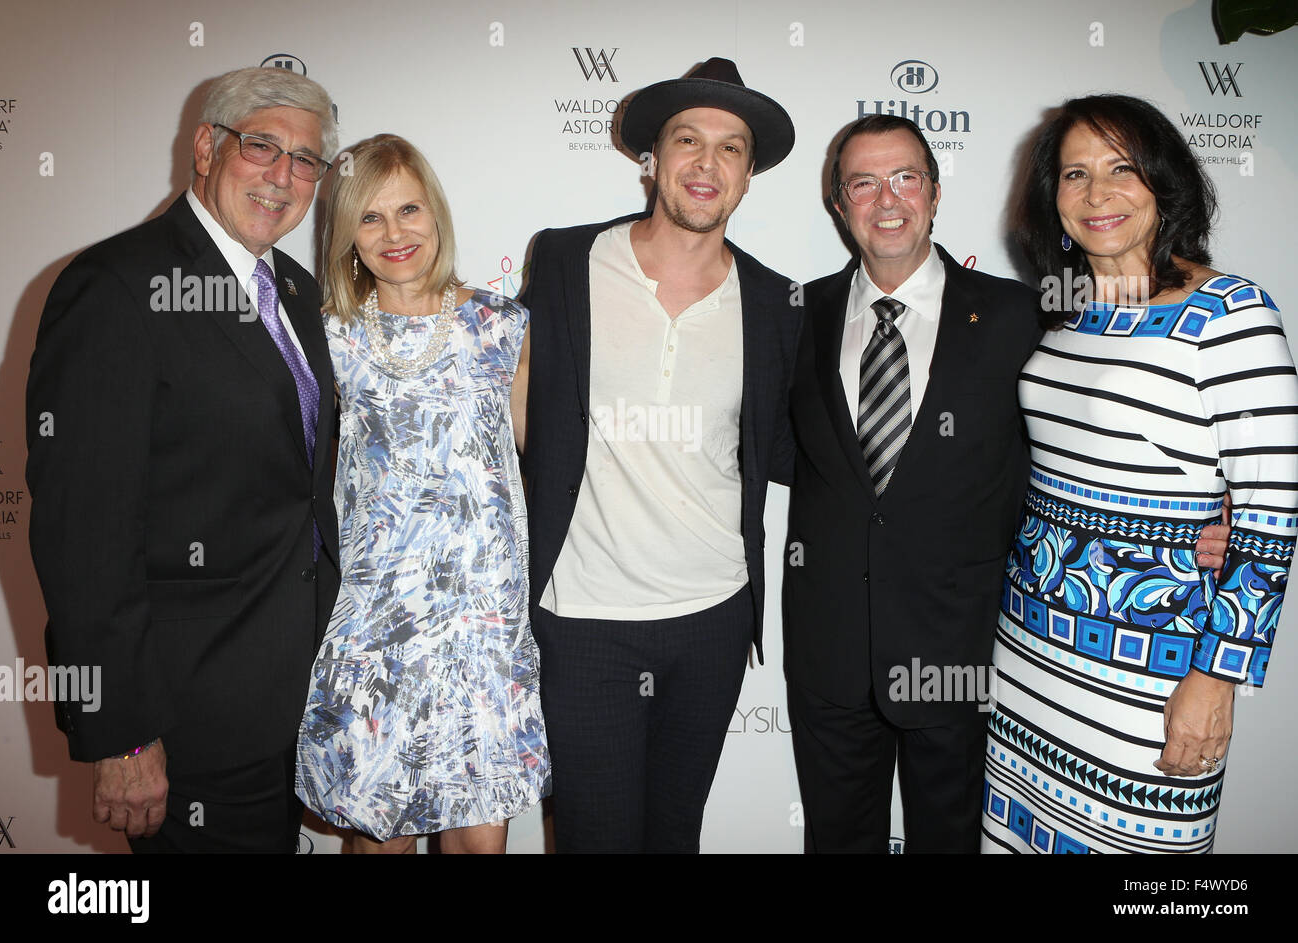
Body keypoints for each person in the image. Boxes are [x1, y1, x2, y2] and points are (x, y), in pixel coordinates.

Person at [782, 114, 1230, 853]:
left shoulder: (1030, 314)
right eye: (863, 182)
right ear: (839, 204)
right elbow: (766, 448)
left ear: (933, 193)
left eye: (906, 178)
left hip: (967, 655)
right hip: (831, 659)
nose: (886, 199)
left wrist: (1220, 503)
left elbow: (1106, 419)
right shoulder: (797, 314)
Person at [25, 67, 340, 853]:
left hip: (294, 706)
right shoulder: (115, 286)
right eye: (262, 146)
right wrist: (121, 732)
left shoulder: (297, 292)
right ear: (205, 147)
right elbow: (81, 535)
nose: (283, 176)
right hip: (184, 723)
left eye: (305, 160)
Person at [981, 94, 1298, 854]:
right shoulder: (1065, 316)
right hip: (1030, 653)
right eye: (1074, 174)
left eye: (1123, 169)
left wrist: (1218, 677)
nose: (1097, 194)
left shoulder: (1229, 313)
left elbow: (1273, 510)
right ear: (1049, 196)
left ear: (1164, 181)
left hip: (1154, 676)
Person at [519, 57, 799, 852]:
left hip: (714, 616)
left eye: (731, 148)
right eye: (688, 140)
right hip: (584, 622)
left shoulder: (778, 302)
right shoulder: (567, 261)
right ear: (654, 158)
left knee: (676, 832)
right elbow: (506, 399)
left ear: (748, 176)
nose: (707, 163)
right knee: (594, 835)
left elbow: (793, 448)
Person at [295, 134, 548, 855]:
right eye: (369, 218)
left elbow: (545, 457)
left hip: (483, 624)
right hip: (379, 622)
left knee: (480, 838)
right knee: (380, 840)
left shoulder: (503, 326)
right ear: (345, 232)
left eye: (408, 209)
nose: (394, 233)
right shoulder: (330, 337)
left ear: (435, 213)